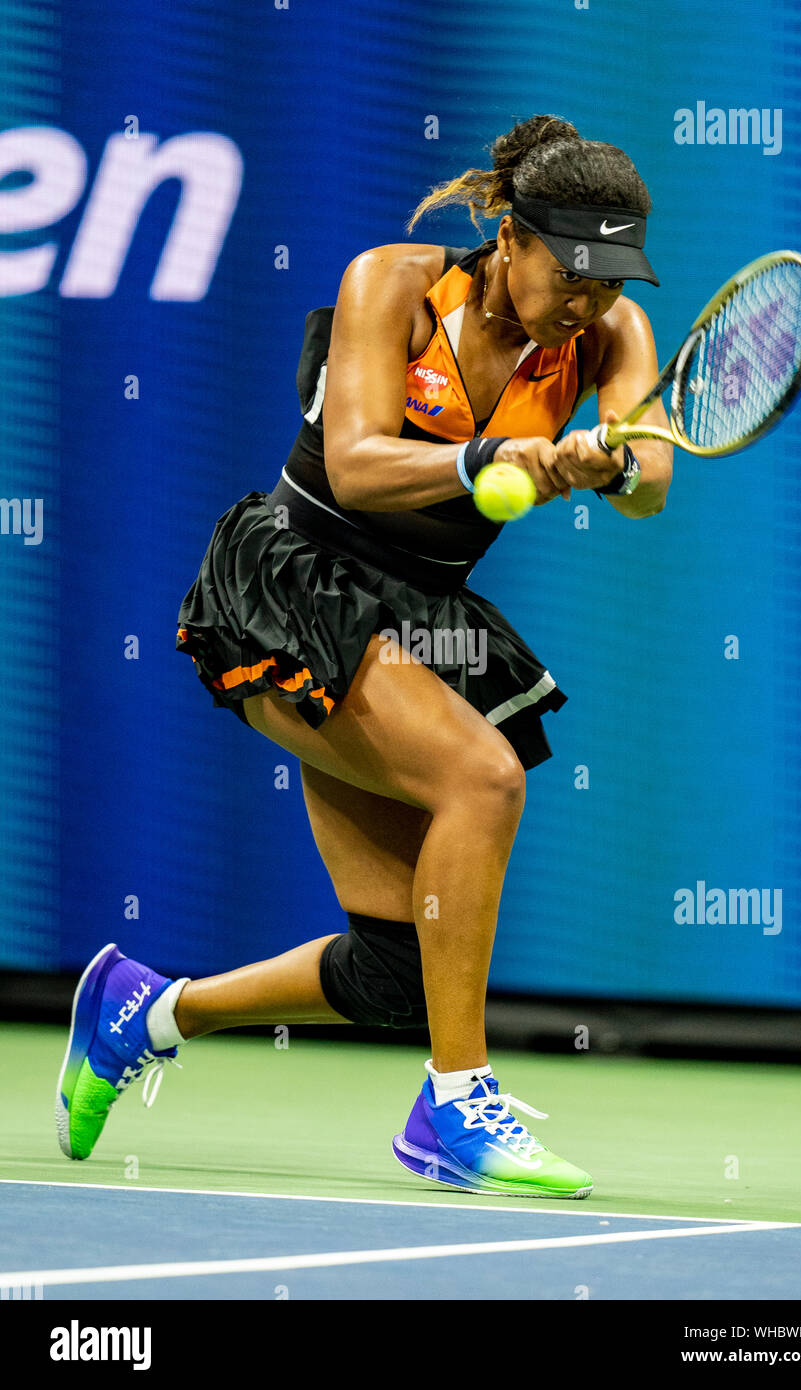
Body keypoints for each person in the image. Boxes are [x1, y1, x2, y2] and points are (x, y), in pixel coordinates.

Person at [56, 115, 672, 1199]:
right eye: (567, 270)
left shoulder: (612, 338)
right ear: (511, 239)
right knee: (479, 778)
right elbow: (353, 463)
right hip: (294, 587)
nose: (585, 297)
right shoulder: (392, 283)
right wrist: (489, 455)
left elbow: (650, 479)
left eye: (606, 275)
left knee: (393, 967)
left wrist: (607, 463)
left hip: (415, 613)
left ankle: (140, 1010)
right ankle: (456, 1101)